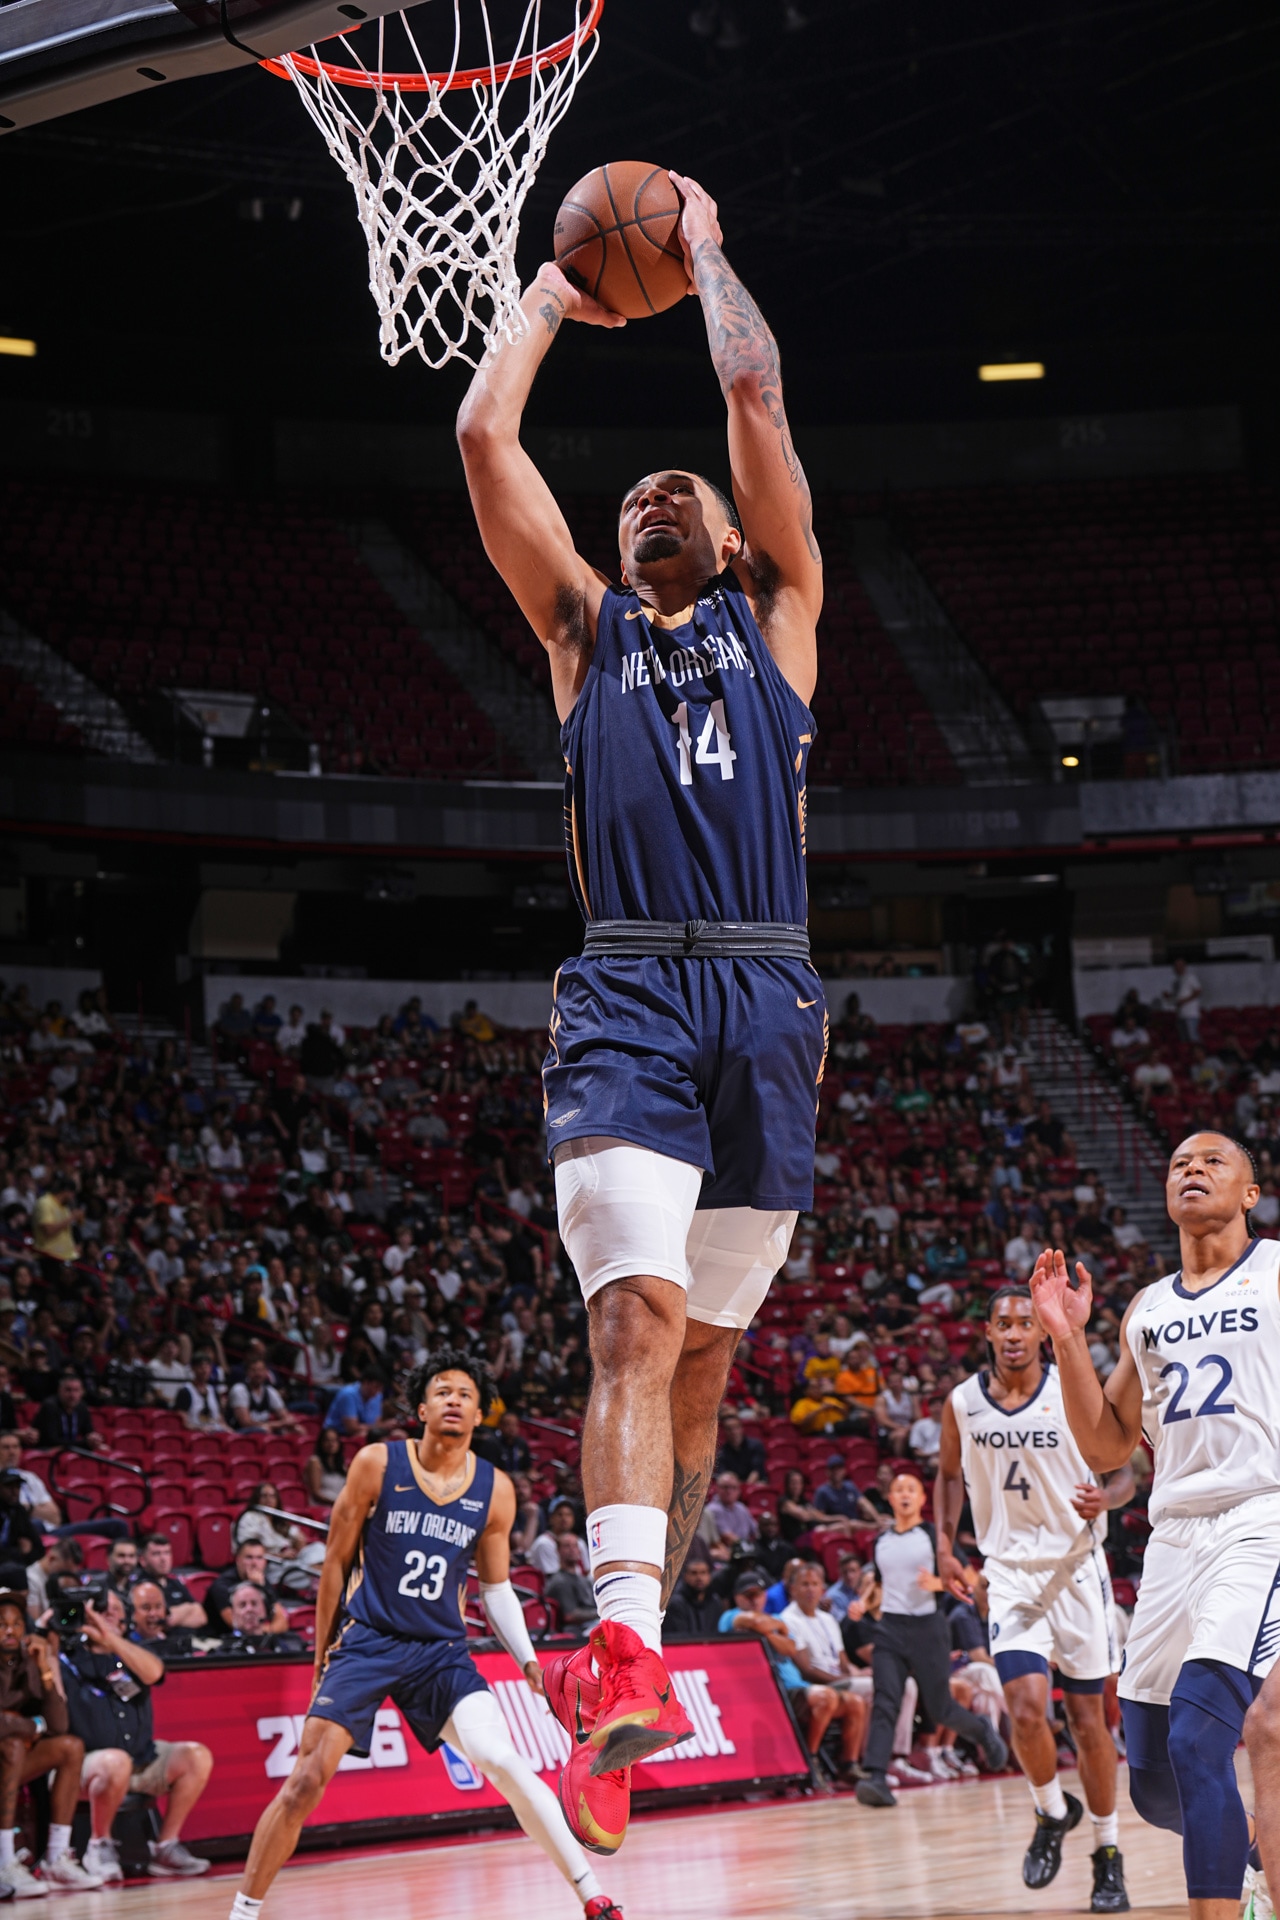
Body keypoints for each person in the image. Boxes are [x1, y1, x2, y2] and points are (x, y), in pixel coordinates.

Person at [458, 169, 825, 1860]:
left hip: (769, 990)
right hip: (627, 985)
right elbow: (482, 443)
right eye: (634, 498)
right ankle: (616, 1646)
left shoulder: (783, 623)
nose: (655, 492)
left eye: (683, 493)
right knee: (632, 1328)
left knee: (709, 1364)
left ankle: (632, 1678)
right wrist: (554, 287)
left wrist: (701, 250)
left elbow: (746, 388)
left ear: (738, 542)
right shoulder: (583, 635)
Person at [228, 1349, 624, 1920]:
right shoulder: (376, 1463)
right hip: (367, 1640)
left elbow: (494, 1589)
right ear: (421, 1407)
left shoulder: (495, 1489)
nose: (454, 1401)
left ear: (481, 1415)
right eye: (442, 1391)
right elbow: (335, 1565)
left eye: (465, 1394)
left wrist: (530, 1664)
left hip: (440, 1652)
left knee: (501, 1759)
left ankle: (593, 1897)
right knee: (306, 1780)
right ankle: (242, 1913)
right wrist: (322, 1656)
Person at [1030, 1133, 1280, 1920]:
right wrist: (1066, 1337)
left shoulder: (1277, 1272)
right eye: (1179, 1164)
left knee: (1200, 1741)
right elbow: (1105, 1444)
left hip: (1260, 1517)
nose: (1193, 1170)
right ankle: (1251, 1858)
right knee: (1153, 1776)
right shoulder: (1148, 1306)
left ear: (1250, 1194)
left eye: (1213, 1162)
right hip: (1172, 1536)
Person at [935, 1284, 1132, 1913]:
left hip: (1076, 1570)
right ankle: (1051, 1810)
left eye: (1026, 1322)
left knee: (1087, 1722)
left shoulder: (1069, 1391)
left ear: (1043, 1332)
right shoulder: (963, 1403)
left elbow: (1124, 1465)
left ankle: (1107, 1851)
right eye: (1004, 1323)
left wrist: (1112, 1497)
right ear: (987, 1333)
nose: (1016, 1332)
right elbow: (945, 1476)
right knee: (1023, 1708)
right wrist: (944, 1546)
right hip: (1011, 1572)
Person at [854, 1472, 1008, 1809]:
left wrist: (939, 1584)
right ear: (890, 1499)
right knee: (886, 1700)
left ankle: (981, 1730)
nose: (905, 1494)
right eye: (898, 1490)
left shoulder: (935, 1537)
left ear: (923, 1499)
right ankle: (876, 1777)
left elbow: (969, 1580)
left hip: (928, 1628)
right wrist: (863, 1603)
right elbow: (881, 1585)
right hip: (890, 1629)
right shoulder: (882, 1542)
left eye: (911, 1489)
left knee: (939, 1708)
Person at [62, 1585, 213, 1880]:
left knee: (196, 1755)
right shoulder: (67, 1657)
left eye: (115, 1611)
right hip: (84, 1768)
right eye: (100, 1611)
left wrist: (112, 1641)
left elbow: (154, 1673)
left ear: (125, 1620)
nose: (107, 1616)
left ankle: (166, 1847)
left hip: (139, 1760)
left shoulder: (133, 1652)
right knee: (115, 1760)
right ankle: (99, 1844)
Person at [0, 1579, 100, 1896]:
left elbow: (58, 1725)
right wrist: (29, 1727)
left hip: (10, 1761)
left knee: (70, 1747)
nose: (10, 1631)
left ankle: (57, 1857)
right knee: (14, 1744)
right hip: (9, 1753)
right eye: (1, 1624)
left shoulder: (26, 1660)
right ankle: (4, 1861)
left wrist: (44, 1667)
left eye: (16, 1623)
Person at [780, 1560, 870, 1781]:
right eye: (804, 1584)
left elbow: (843, 1660)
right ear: (793, 1589)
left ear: (823, 1589)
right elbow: (806, 1670)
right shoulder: (788, 1619)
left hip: (840, 1678)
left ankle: (851, 1764)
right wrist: (846, 1677)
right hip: (818, 1682)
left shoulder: (828, 1619)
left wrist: (856, 1672)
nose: (810, 1589)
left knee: (876, 1690)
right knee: (872, 1689)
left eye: (815, 1584)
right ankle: (871, 1760)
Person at [205, 1541, 290, 1635]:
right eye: (249, 1557)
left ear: (265, 1562)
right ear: (238, 1560)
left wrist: (260, 1587)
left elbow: (282, 1622)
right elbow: (237, 1625)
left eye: (259, 1558)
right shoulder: (222, 1585)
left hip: (255, 1639)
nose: (254, 1563)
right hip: (218, 1639)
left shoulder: (262, 1582)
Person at [0, 1430, 60, 1526]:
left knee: (92, 1527)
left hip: (50, 1530)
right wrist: (39, 1510)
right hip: (18, 1531)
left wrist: (27, 1508)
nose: (12, 1452)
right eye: (6, 1448)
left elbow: (55, 1516)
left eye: (15, 1447)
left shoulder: (30, 1477)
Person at [34, 1368, 101, 1450]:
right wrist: (85, 1443)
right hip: (47, 1452)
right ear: (59, 1391)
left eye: (76, 1390)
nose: (72, 1395)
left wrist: (93, 1439)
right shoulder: (50, 1406)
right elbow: (52, 1441)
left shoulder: (82, 1407)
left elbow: (88, 1432)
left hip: (70, 1450)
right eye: (68, 1390)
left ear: (82, 1392)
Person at [229, 1357, 298, 1434]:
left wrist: (292, 1425)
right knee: (263, 1430)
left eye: (261, 1370)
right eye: (253, 1370)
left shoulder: (269, 1391)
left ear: (266, 1372)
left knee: (297, 1430)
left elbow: (285, 1416)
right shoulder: (239, 1389)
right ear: (247, 1372)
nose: (258, 1374)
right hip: (240, 1434)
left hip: (264, 1432)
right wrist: (279, 1424)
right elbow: (245, 1423)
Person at [546, 1532, 599, 1633]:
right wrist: (601, 1613)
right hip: (575, 1631)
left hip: (592, 1624)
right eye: (567, 1546)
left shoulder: (584, 1579)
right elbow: (570, 1616)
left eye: (575, 1545)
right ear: (558, 1551)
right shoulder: (560, 1581)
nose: (572, 1549)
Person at [663, 1554, 722, 1638]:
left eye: (703, 1573)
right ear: (685, 1576)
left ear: (709, 1576)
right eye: (694, 1573)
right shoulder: (676, 1603)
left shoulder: (715, 1602)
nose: (699, 1577)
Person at [0, 1471, 43, 1565]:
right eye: (9, 1487)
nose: (15, 1492)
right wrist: (17, 1552)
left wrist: (24, 1553)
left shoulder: (19, 1511)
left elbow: (39, 1549)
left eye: (17, 1487)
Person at [714, 1413, 766, 1487]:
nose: (733, 1432)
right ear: (724, 1431)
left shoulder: (756, 1445)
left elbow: (756, 1470)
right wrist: (736, 1488)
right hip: (732, 1487)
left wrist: (745, 1487)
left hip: (754, 1484)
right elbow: (724, 1475)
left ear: (741, 1428)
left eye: (736, 1427)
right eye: (729, 1429)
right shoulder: (722, 1453)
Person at [304, 1426, 348, 1510]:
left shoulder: (341, 1464)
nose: (331, 1444)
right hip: (322, 1507)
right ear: (321, 1443)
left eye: (334, 1440)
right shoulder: (315, 1462)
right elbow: (316, 1494)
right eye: (327, 1440)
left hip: (339, 1506)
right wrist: (336, 1503)